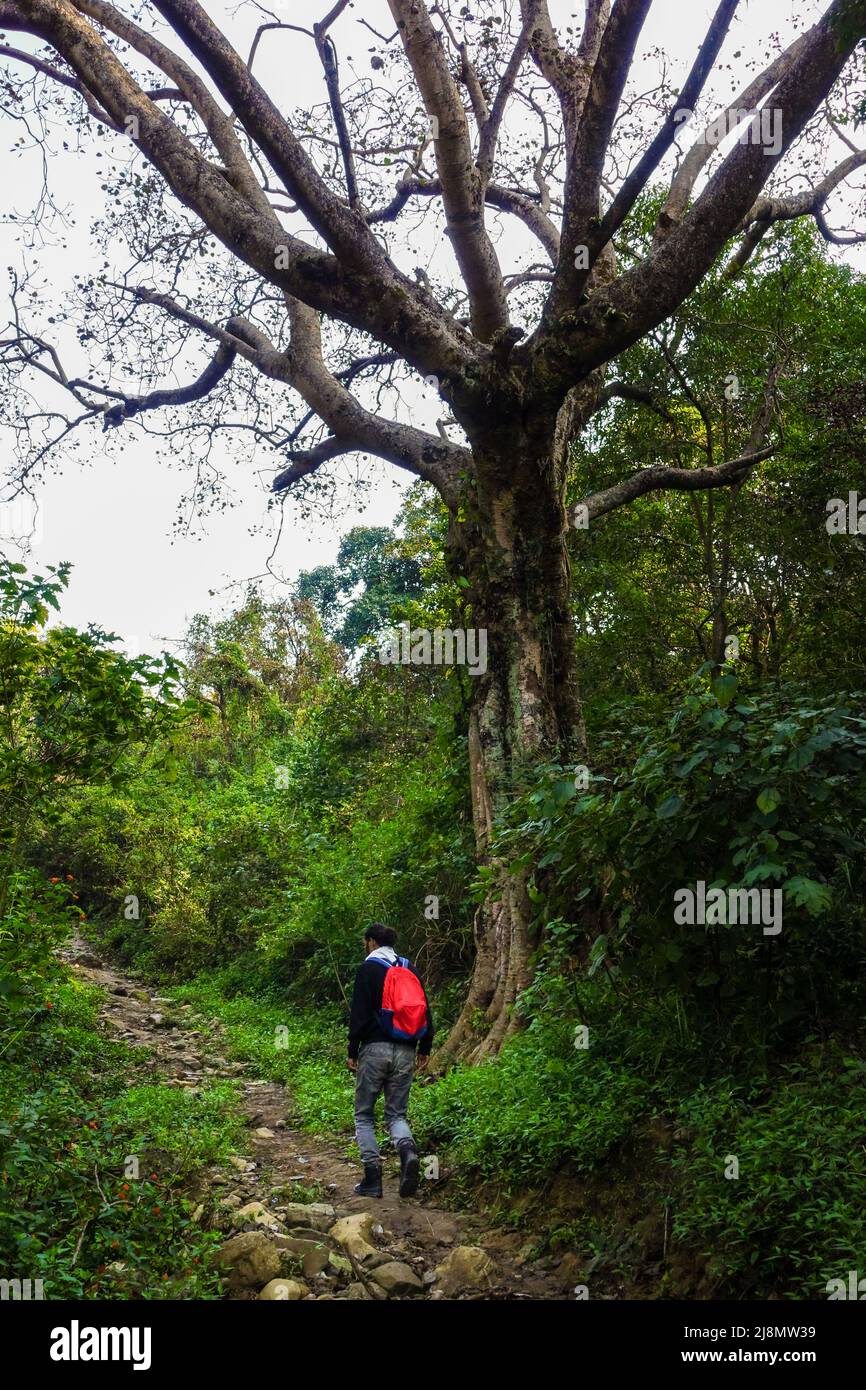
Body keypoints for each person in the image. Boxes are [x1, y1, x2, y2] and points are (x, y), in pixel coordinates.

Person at [347, 923, 434, 1198]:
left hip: (374, 1049)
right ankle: (407, 1153)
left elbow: (359, 1014)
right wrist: (425, 1046)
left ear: (371, 942)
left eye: (365, 942)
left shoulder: (368, 968)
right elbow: (424, 1008)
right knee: (396, 1113)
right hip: (406, 1050)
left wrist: (352, 1049)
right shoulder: (409, 968)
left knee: (364, 1114)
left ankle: (373, 1179)